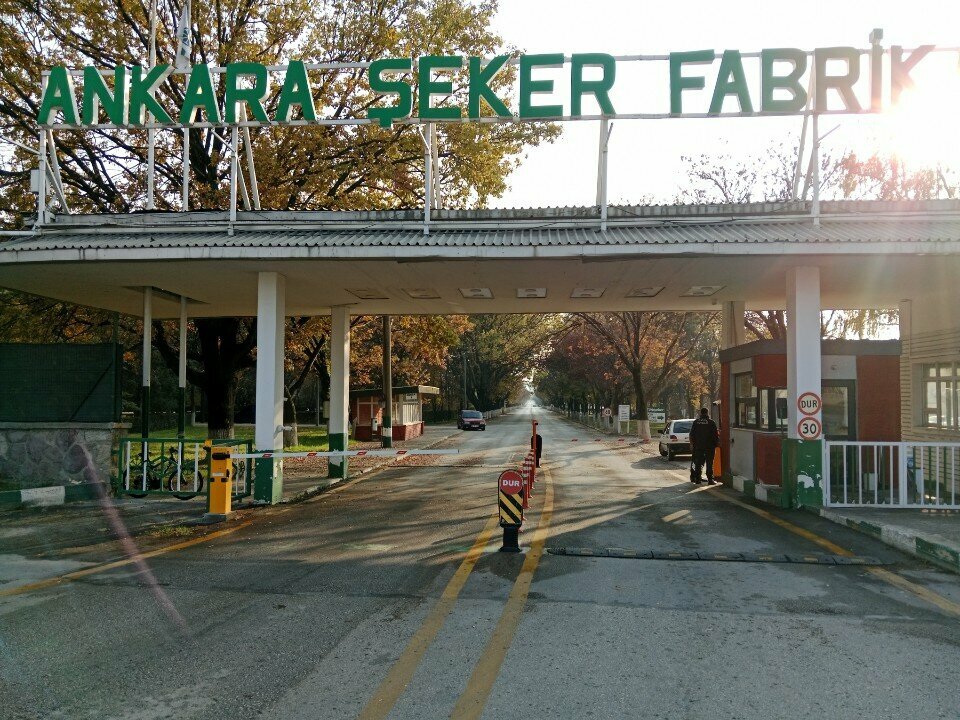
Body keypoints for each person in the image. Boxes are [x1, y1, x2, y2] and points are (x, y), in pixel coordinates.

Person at [689, 407, 719, 485]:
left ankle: (697, 479)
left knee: (698, 462)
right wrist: (716, 444)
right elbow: (715, 435)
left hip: (698, 446)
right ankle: (710, 479)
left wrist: (692, 444)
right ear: (707, 413)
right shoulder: (711, 422)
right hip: (709, 446)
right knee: (709, 463)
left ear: (701, 413)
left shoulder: (696, 422)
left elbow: (691, 434)